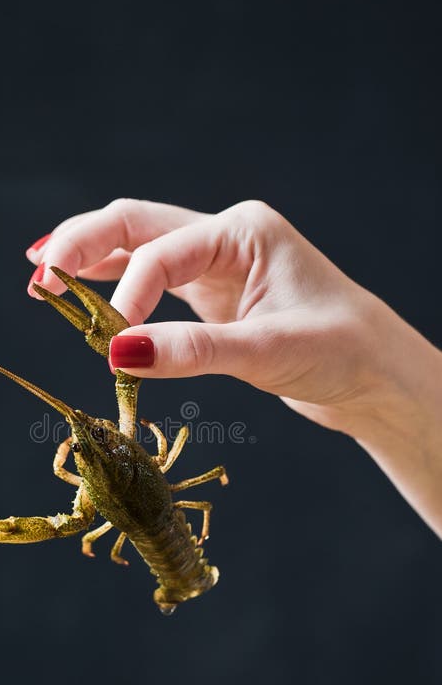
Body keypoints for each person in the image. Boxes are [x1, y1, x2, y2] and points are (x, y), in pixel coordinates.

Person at [24, 198, 442, 538]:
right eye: (83, 445)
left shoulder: (88, 479)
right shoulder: (120, 446)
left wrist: (376, 380)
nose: (90, 434)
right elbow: (161, 441)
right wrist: (379, 379)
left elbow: (68, 494)